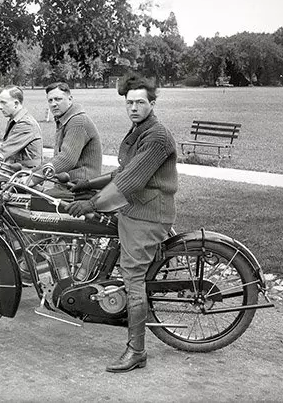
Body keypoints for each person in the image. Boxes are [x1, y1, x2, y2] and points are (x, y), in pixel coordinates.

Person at [68, 74, 178, 373]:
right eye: (129, 103)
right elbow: (122, 172)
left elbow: (130, 181)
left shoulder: (156, 136)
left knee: (133, 279)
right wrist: (86, 185)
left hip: (148, 214)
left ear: (152, 103)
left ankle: (137, 351)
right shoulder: (139, 130)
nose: (133, 107)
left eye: (139, 102)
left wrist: (91, 204)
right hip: (134, 209)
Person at [40, 82, 102, 193]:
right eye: (50, 100)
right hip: (67, 184)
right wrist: (32, 172)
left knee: (29, 200)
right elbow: (58, 158)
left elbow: (67, 159)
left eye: (58, 99)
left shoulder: (78, 121)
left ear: (70, 99)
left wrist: (35, 177)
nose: (53, 104)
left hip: (81, 188)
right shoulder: (65, 119)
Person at [0, 85, 43, 169]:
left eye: (3, 103)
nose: (0, 107)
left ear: (16, 103)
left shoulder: (26, 124)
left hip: (25, 174)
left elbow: (4, 151)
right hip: (14, 169)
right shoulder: (15, 120)